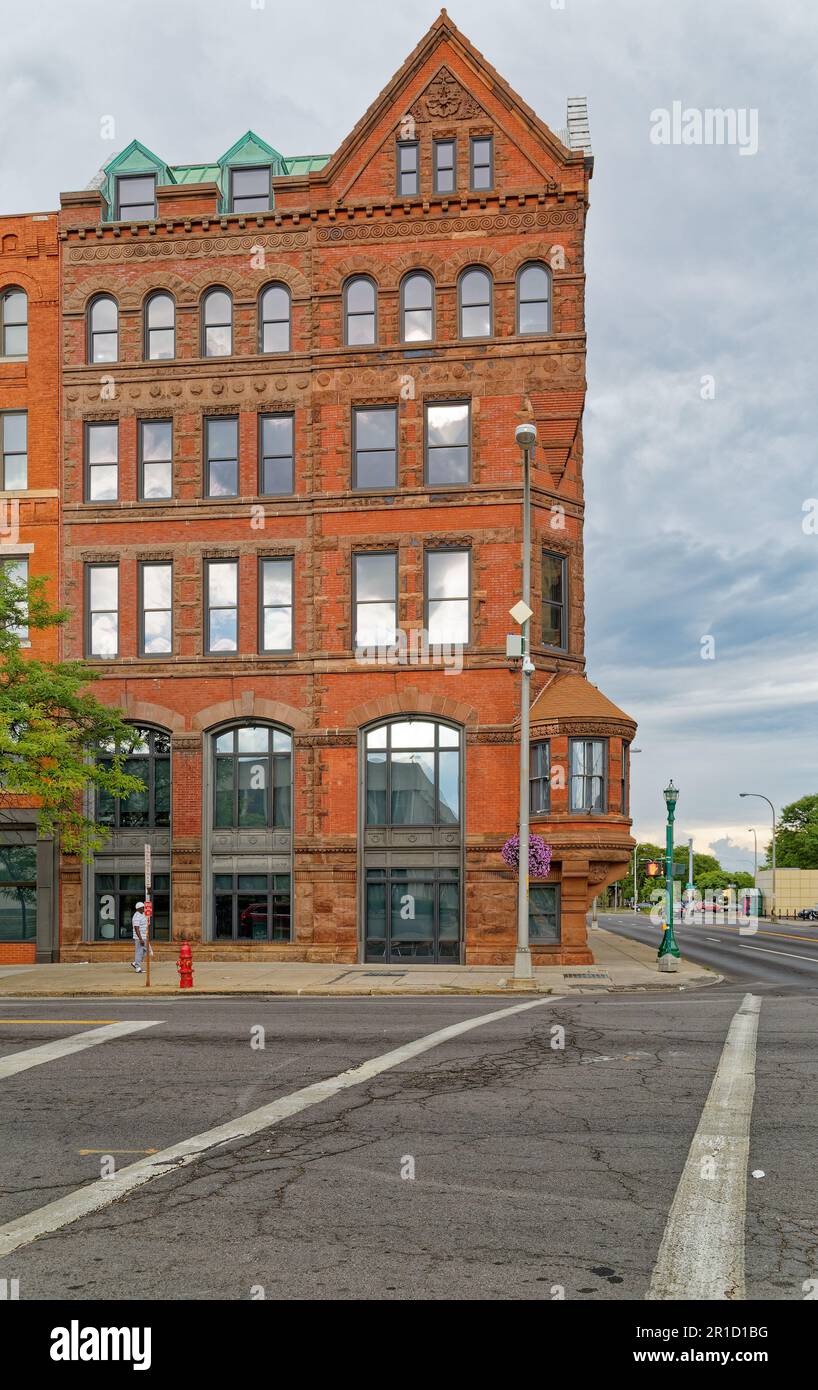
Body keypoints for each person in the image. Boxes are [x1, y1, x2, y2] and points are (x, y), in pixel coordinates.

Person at [132, 901, 148, 973]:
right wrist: (140, 939)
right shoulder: (136, 916)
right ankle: (137, 967)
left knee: (146, 951)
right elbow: (136, 928)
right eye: (142, 908)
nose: (143, 908)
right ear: (138, 909)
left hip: (144, 936)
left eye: (143, 907)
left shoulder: (143, 914)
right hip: (140, 937)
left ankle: (136, 963)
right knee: (139, 951)